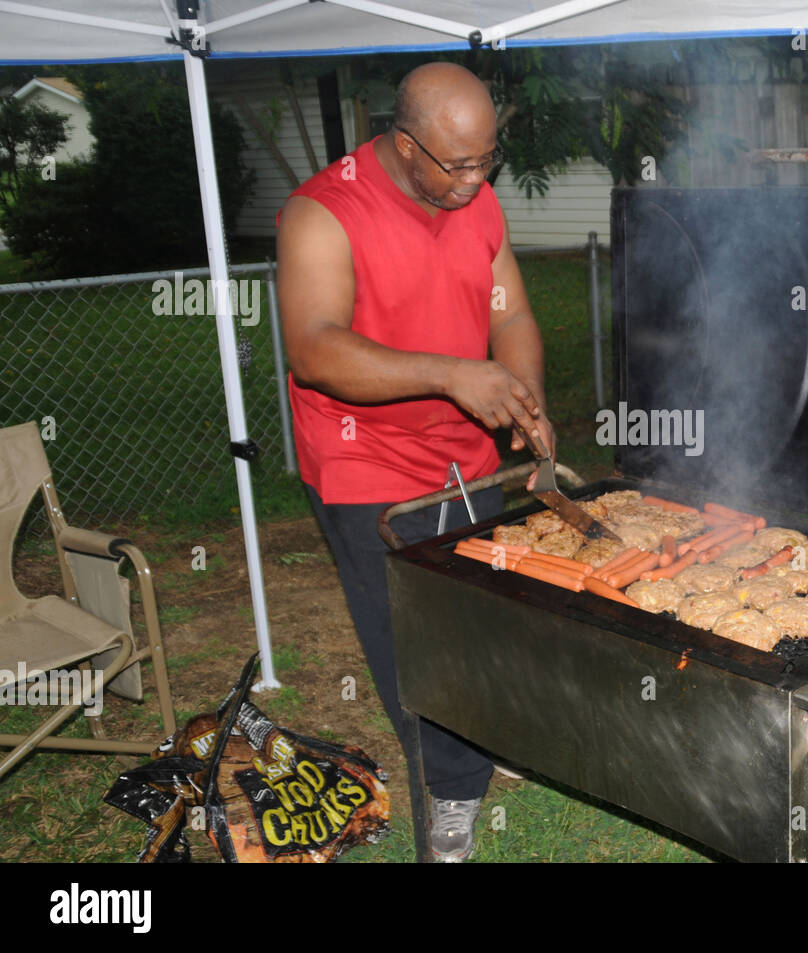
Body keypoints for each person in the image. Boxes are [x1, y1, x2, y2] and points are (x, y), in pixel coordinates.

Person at [276, 62, 554, 862]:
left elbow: (513, 313)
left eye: (487, 160)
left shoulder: (477, 200)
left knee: (480, 614)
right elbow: (315, 349)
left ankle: (479, 736)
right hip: (369, 466)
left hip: (466, 455)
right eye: (457, 164)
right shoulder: (323, 212)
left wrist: (526, 404)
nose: (476, 180)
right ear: (404, 145)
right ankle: (452, 795)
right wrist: (449, 371)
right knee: (415, 644)